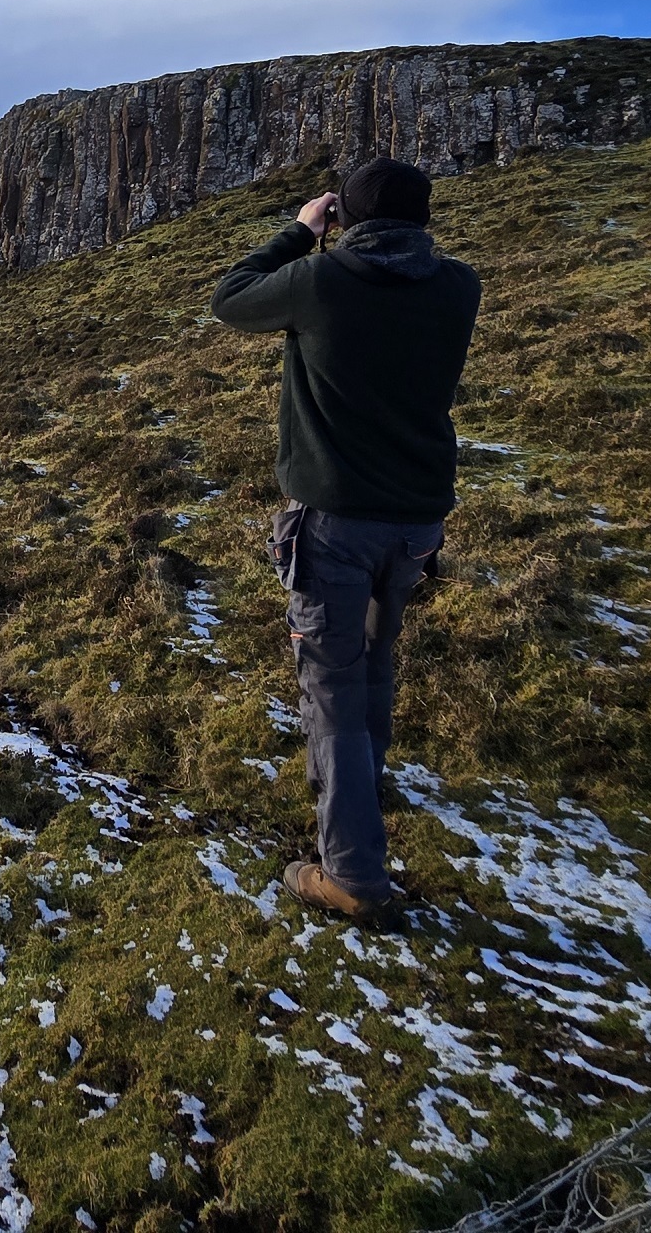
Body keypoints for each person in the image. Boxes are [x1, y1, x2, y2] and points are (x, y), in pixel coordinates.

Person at [211, 154, 481, 921]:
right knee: (373, 663)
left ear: (346, 220)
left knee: (330, 685)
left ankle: (353, 875)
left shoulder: (322, 281)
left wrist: (299, 234)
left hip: (333, 523)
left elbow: (228, 300)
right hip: (416, 523)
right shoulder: (460, 286)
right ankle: (361, 787)